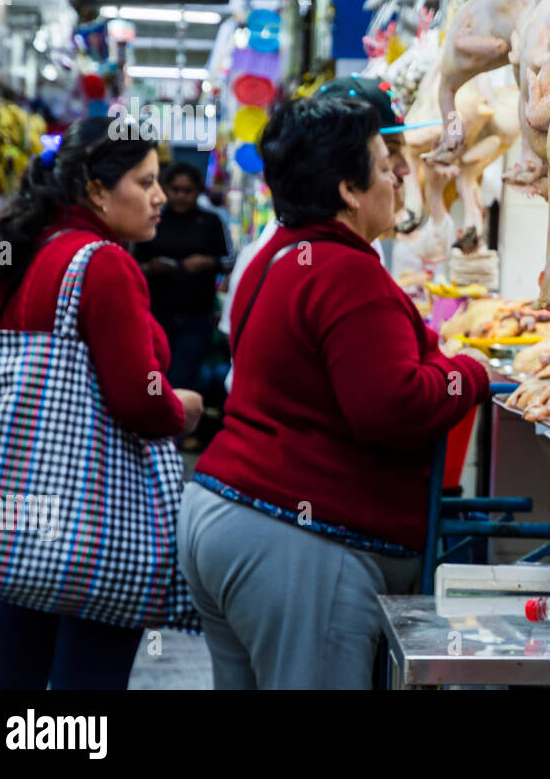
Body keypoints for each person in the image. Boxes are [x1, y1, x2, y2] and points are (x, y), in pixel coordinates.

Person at [178, 95, 493, 689]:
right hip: (297, 541)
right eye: (383, 164)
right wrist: (469, 374)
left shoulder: (277, 255)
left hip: (226, 515)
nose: (399, 175)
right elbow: (390, 405)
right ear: (349, 189)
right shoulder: (345, 271)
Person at [0, 116, 203, 689]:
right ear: (96, 189)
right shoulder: (102, 263)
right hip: (96, 513)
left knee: (13, 668)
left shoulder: (17, 256)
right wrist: (183, 408)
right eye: (143, 183)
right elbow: (139, 401)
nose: (157, 198)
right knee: (88, 683)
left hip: (26, 505)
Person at [133, 162, 232, 392]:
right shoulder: (152, 219)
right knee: (155, 374)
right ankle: (156, 423)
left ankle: (177, 423)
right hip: (157, 313)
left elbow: (231, 261)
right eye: (175, 189)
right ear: (165, 189)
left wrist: (208, 262)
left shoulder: (211, 222)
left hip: (197, 315)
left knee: (183, 378)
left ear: (198, 191)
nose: (180, 196)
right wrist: (150, 268)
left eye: (187, 191)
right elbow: (132, 263)